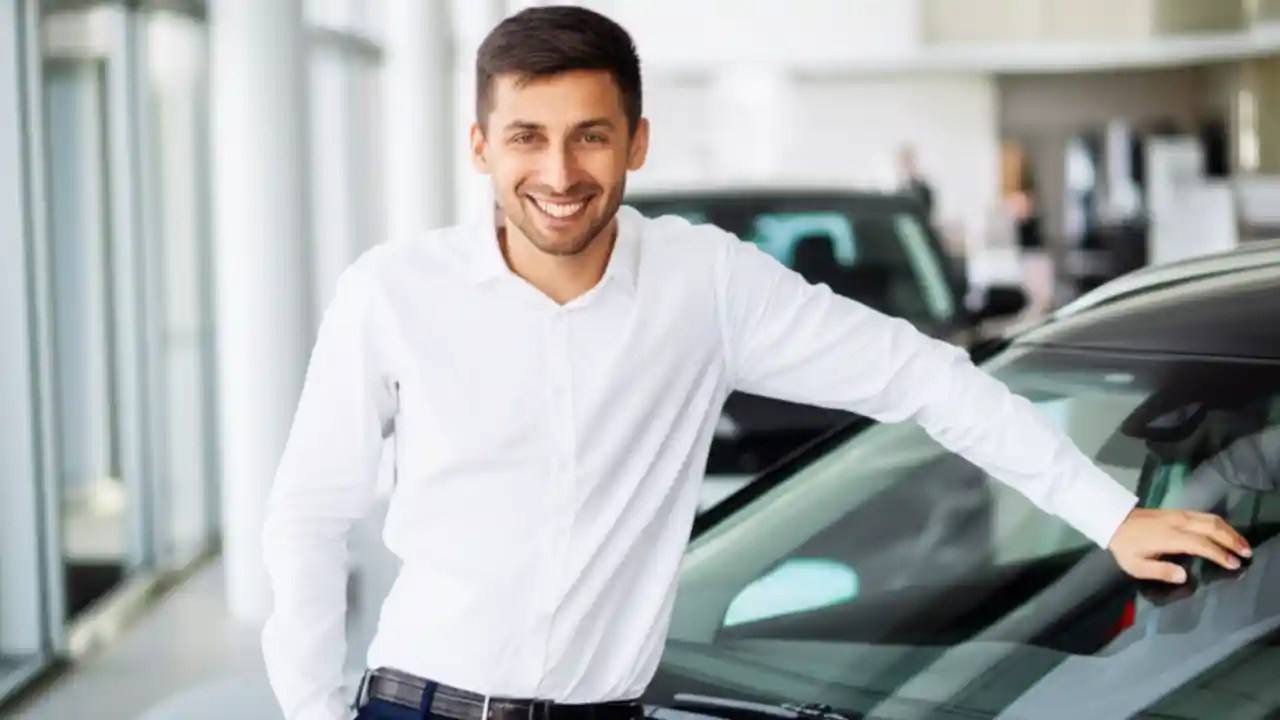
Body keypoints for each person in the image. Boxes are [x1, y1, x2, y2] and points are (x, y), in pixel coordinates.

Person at [260, 7, 1252, 720]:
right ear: (480, 147)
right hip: (416, 707)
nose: (557, 175)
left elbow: (925, 375)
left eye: (589, 138)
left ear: (635, 142)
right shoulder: (392, 293)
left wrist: (1110, 515)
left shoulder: (704, 284)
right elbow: (309, 512)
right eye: (527, 138)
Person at [898, 144, 934, 219]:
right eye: (905, 161)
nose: (907, 165)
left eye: (909, 161)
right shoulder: (900, 188)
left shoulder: (923, 188)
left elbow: (928, 213)